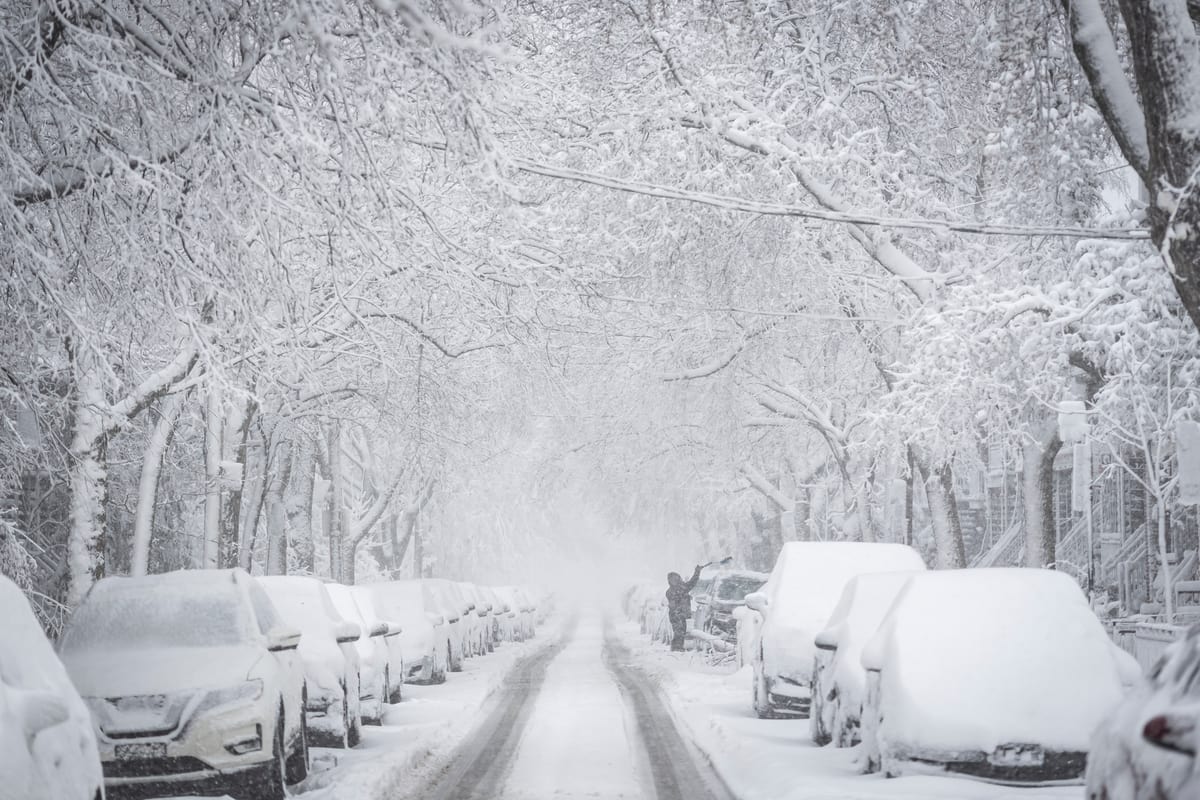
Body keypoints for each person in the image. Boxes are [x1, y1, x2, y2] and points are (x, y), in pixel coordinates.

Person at [665, 564, 703, 652]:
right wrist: (697, 572)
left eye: (677, 578)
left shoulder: (677, 589)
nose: (678, 580)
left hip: (680, 615)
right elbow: (691, 583)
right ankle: (677, 649)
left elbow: (691, 584)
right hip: (677, 616)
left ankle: (676, 649)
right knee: (679, 633)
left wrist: (697, 572)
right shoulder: (673, 591)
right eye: (676, 579)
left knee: (680, 633)